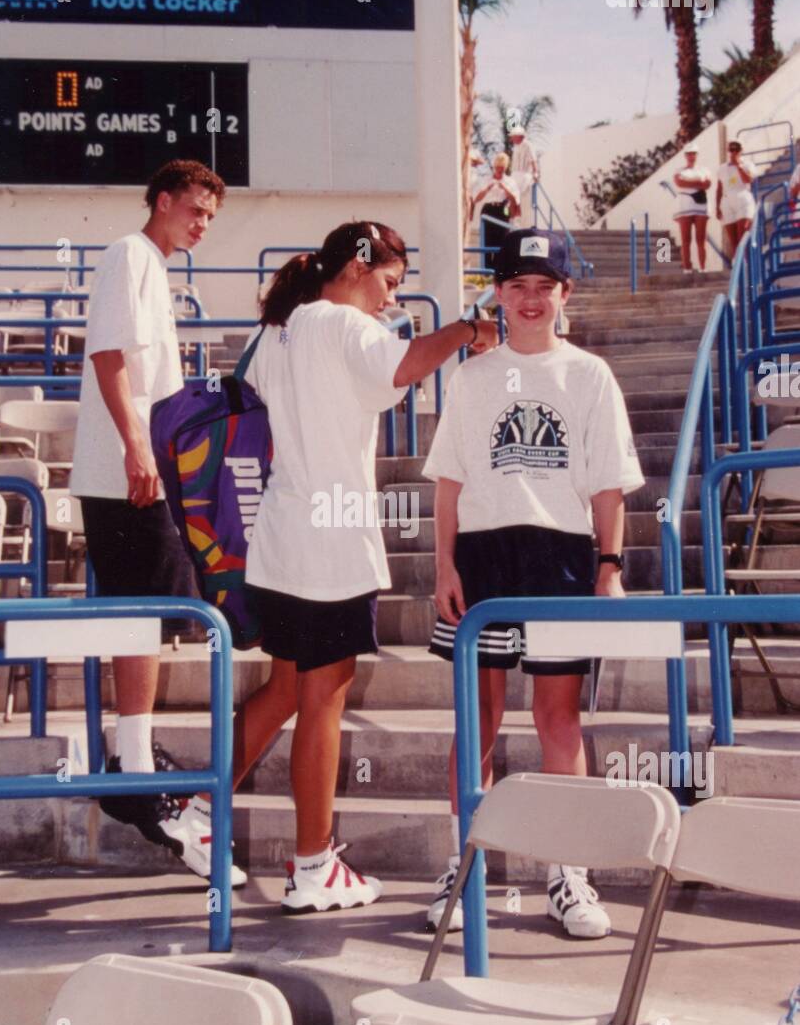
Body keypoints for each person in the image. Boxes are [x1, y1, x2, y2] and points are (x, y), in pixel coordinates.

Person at [239, 221, 499, 914]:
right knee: (323, 699)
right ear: (358, 267)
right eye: (388, 282)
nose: (390, 300)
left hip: (282, 537)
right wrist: (468, 333)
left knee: (286, 688)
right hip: (329, 544)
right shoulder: (342, 325)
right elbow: (402, 366)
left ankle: (196, 807)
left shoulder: (277, 329)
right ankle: (313, 865)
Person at [424, 228, 644, 939]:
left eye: (542, 286)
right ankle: (464, 867)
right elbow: (449, 481)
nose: (528, 299)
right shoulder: (471, 376)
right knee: (476, 721)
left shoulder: (588, 375)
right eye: (515, 285)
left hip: (560, 557)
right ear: (497, 292)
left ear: (562, 295)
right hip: (484, 557)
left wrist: (607, 570)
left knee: (557, 719)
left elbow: (609, 485)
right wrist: (444, 566)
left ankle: (566, 873)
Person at [70, 158, 262, 884]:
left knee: (147, 616)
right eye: (193, 209)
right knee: (138, 614)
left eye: (210, 215)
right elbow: (109, 358)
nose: (201, 224)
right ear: (160, 201)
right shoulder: (130, 256)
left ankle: (136, 762)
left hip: (144, 469)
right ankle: (136, 768)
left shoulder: (155, 270)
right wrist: (136, 449)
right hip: (126, 474)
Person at [473, 153, 522, 264]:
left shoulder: (510, 181)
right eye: (497, 168)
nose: (499, 171)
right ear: (494, 167)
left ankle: (498, 271)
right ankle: (486, 271)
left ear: (505, 168)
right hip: (488, 210)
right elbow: (477, 198)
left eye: (502, 168)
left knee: (502, 241)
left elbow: (515, 199)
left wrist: (505, 188)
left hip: (502, 211)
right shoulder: (486, 179)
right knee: (487, 241)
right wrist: (487, 189)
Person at [673, 144, 713, 273]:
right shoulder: (679, 170)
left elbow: (707, 184)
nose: (691, 156)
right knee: (686, 239)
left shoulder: (704, 170)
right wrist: (698, 184)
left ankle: (703, 267)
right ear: (685, 155)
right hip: (684, 205)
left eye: (693, 153)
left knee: (701, 239)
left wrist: (688, 183)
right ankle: (687, 268)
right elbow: (679, 182)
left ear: (697, 155)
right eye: (689, 154)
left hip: (700, 205)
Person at [717, 140, 756, 261]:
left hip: (743, 200)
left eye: (736, 149)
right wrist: (717, 207)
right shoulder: (721, 168)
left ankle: (747, 269)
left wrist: (738, 166)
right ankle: (739, 272)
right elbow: (719, 188)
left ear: (741, 150)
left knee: (742, 238)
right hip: (727, 202)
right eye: (731, 149)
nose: (733, 152)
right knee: (734, 242)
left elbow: (748, 180)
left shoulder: (747, 164)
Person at [509, 127, 539, 224]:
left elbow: (533, 160)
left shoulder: (528, 145)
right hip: (515, 175)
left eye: (513, 136)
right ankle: (514, 220)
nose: (512, 138)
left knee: (521, 200)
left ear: (519, 136)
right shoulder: (516, 147)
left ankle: (520, 220)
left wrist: (536, 173)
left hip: (524, 175)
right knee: (513, 198)